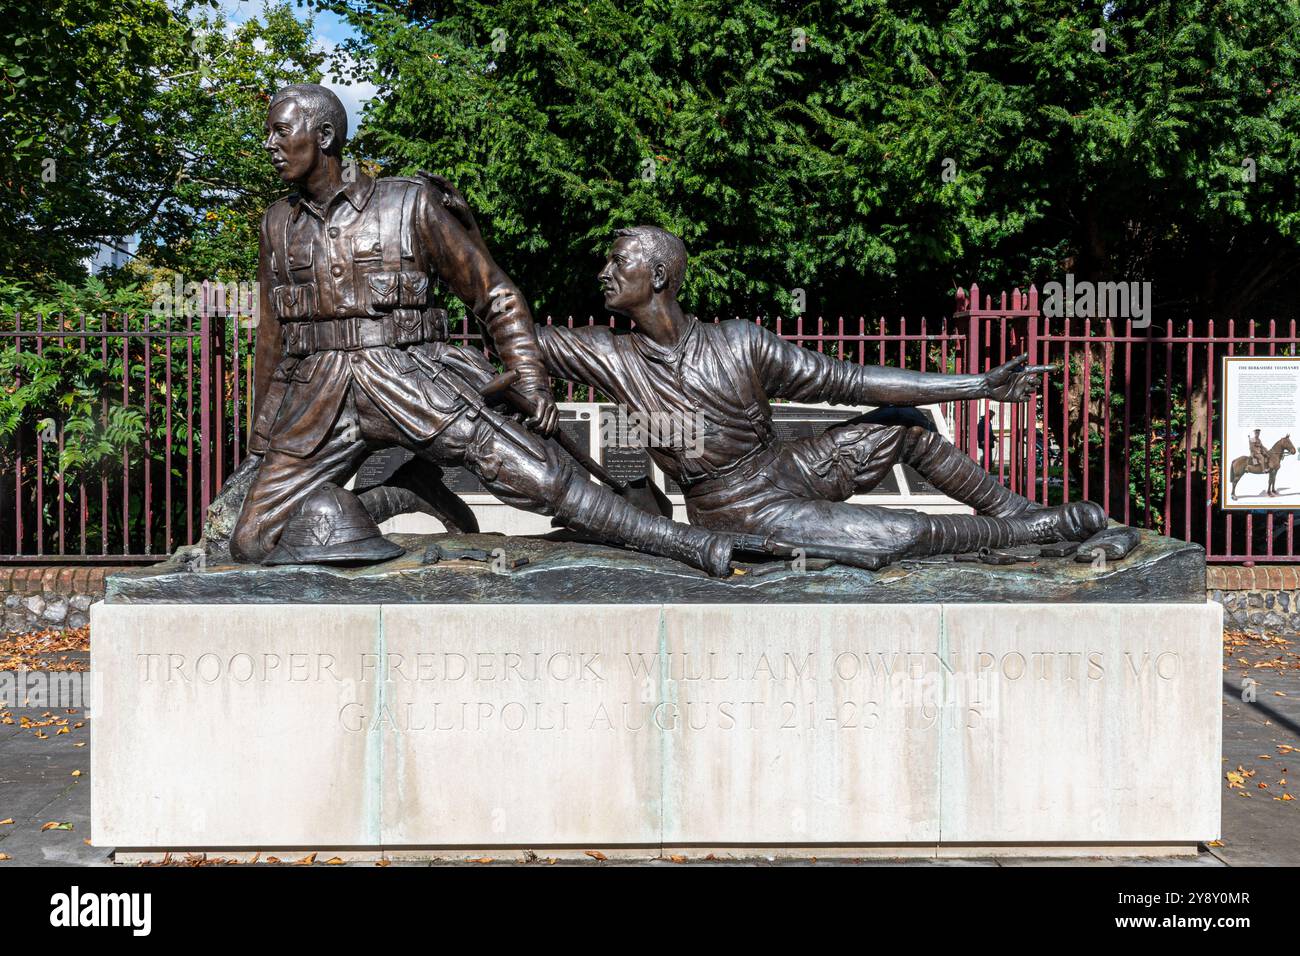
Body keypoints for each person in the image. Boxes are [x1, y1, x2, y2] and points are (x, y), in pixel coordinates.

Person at [230, 85, 734, 576]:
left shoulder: (408, 204)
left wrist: (529, 376)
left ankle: (687, 542)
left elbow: (493, 294)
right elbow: (272, 338)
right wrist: (262, 443)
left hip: (409, 376)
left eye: (280, 132)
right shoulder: (277, 223)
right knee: (254, 540)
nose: (270, 145)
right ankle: (407, 491)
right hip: (318, 395)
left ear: (322, 136)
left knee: (539, 479)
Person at [522, 224, 1108, 562]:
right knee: (896, 534)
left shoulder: (739, 343)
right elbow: (514, 334)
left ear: (657, 277)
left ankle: (1017, 511)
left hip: (786, 466)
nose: (603, 270)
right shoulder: (607, 352)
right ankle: (1033, 531)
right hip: (732, 507)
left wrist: (976, 384)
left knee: (904, 422)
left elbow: (849, 381)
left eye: (617, 260)